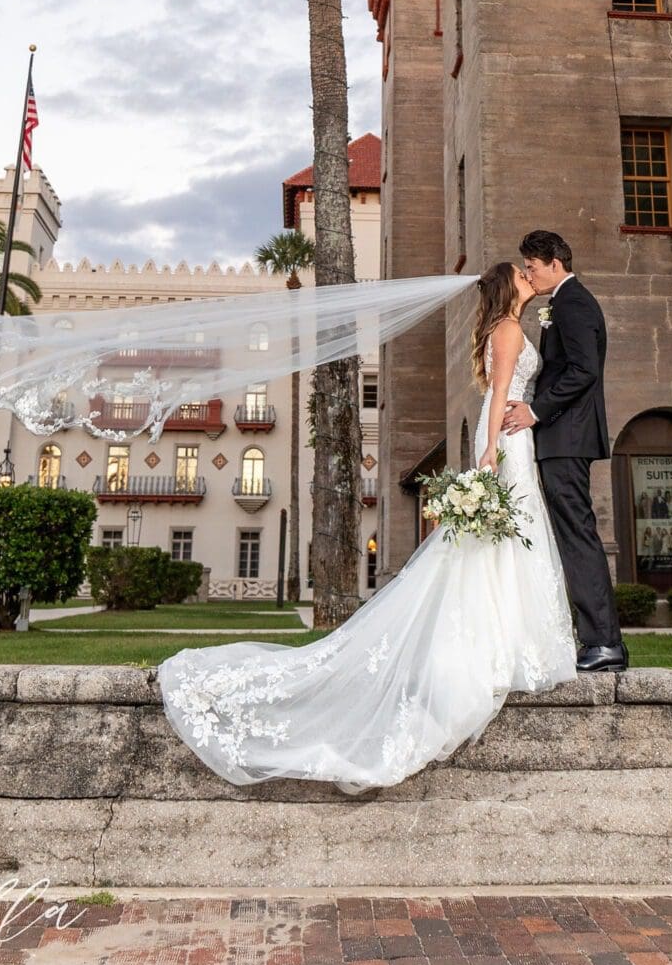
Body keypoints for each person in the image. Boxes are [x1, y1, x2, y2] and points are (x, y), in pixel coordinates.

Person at [157, 260, 577, 790]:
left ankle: (507, 640)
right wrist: (492, 450)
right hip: (508, 440)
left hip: (514, 434)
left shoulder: (508, 326)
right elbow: (497, 393)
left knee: (497, 542)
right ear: (507, 287)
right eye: (521, 273)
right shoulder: (510, 328)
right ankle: (506, 645)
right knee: (502, 538)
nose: (527, 276)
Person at [502, 228, 628, 672]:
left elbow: (583, 371)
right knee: (573, 534)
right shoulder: (562, 303)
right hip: (562, 436)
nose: (530, 275)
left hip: (567, 435)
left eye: (533, 267)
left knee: (578, 536)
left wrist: (535, 412)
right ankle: (597, 638)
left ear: (555, 262)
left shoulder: (573, 303)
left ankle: (604, 642)